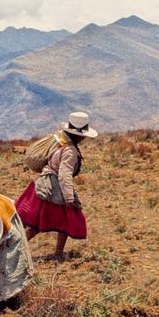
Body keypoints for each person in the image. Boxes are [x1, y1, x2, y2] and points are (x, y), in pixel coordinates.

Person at [15, 111, 98, 260]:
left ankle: (20, 248)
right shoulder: (70, 151)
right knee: (64, 219)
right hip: (54, 187)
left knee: (37, 222)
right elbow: (64, 174)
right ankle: (55, 253)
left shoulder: (59, 141)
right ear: (79, 135)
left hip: (45, 183)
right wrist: (69, 198)